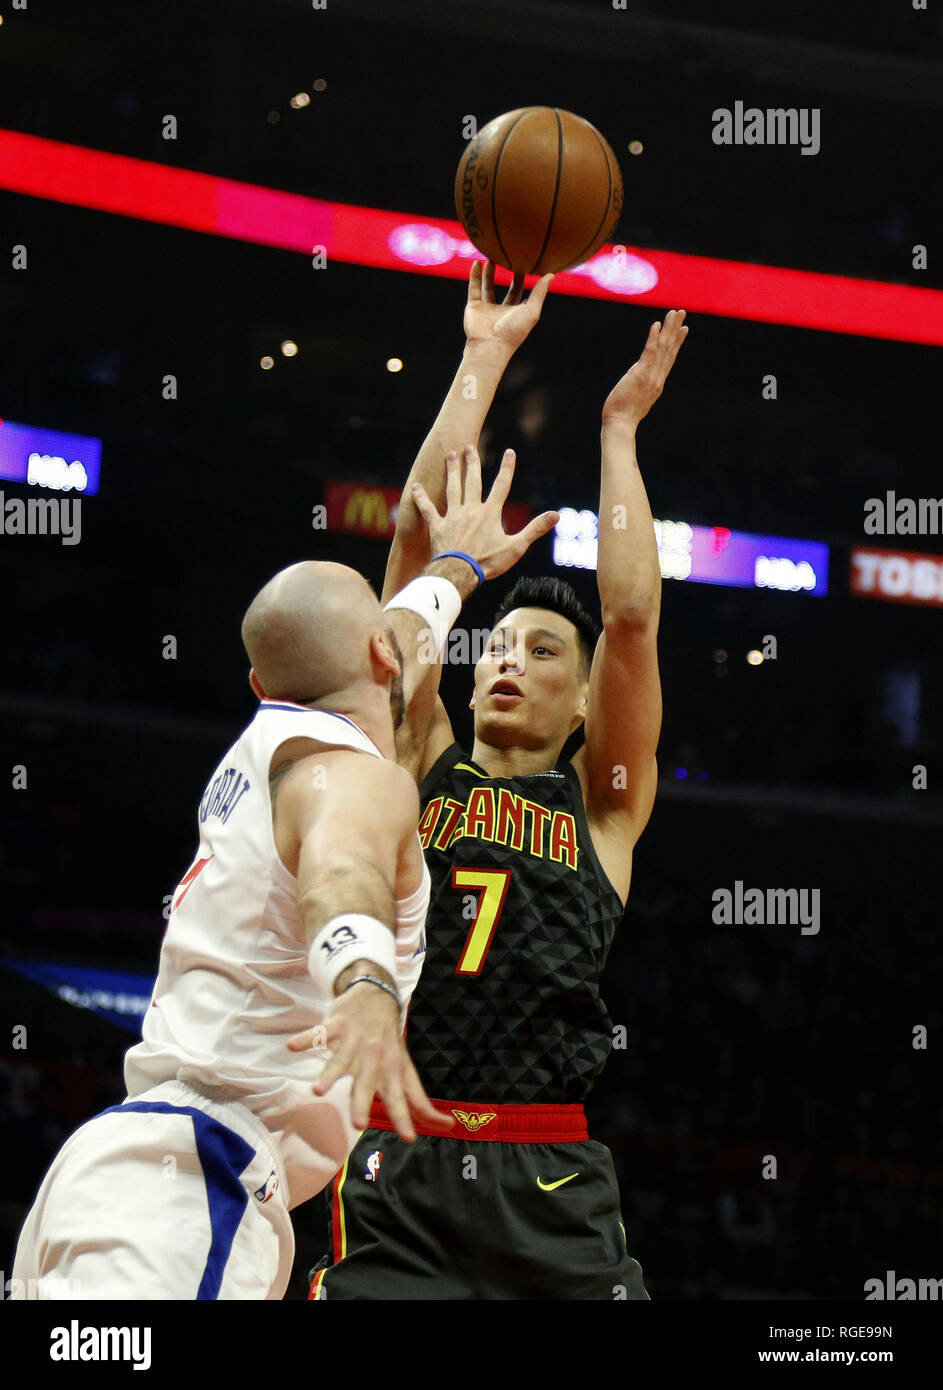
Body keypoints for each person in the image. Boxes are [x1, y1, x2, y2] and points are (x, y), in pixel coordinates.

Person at [10, 465, 556, 1301]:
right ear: (378, 655)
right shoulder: (350, 774)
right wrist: (363, 982)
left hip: (131, 1169)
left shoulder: (271, 736)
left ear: (262, 683)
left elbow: (400, 631)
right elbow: (341, 869)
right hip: (189, 1190)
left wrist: (458, 567)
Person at [308, 263, 689, 1300]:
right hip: (400, 1154)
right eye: (499, 643)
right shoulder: (419, 755)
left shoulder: (605, 805)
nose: (509, 658)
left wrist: (619, 434)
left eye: (541, 652)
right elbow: (414, 543)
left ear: (582, 710)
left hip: (550, 1172)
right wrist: (483, 358)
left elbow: (631, 618)